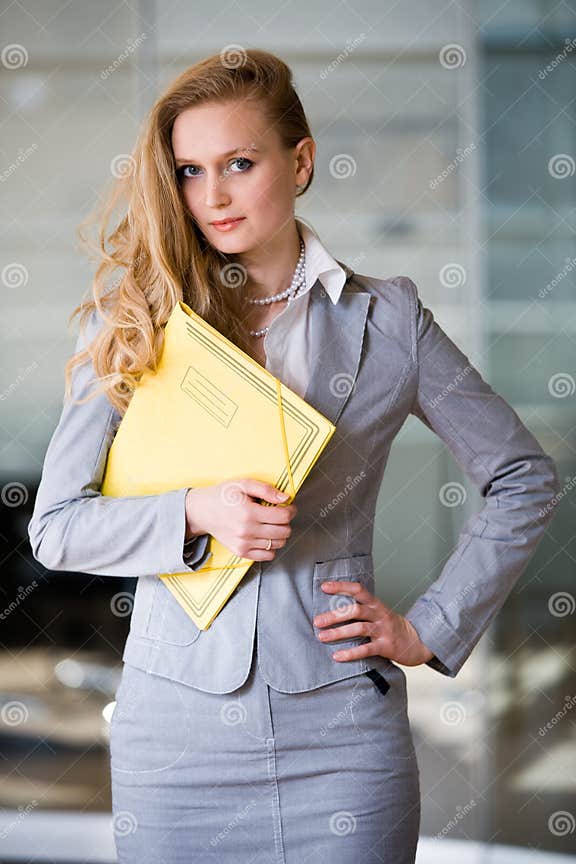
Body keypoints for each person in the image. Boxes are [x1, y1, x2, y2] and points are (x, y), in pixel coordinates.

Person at [27, 49, 560, 862]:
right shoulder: (134, 319)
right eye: (190, 171)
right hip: (174, 746)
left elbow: (524, 477)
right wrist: (196, 513)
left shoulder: (390, 322)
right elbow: (57, 529)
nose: (213, 195)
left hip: (343, 742)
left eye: (240, 163)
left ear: (301, 160)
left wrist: (431, 627)